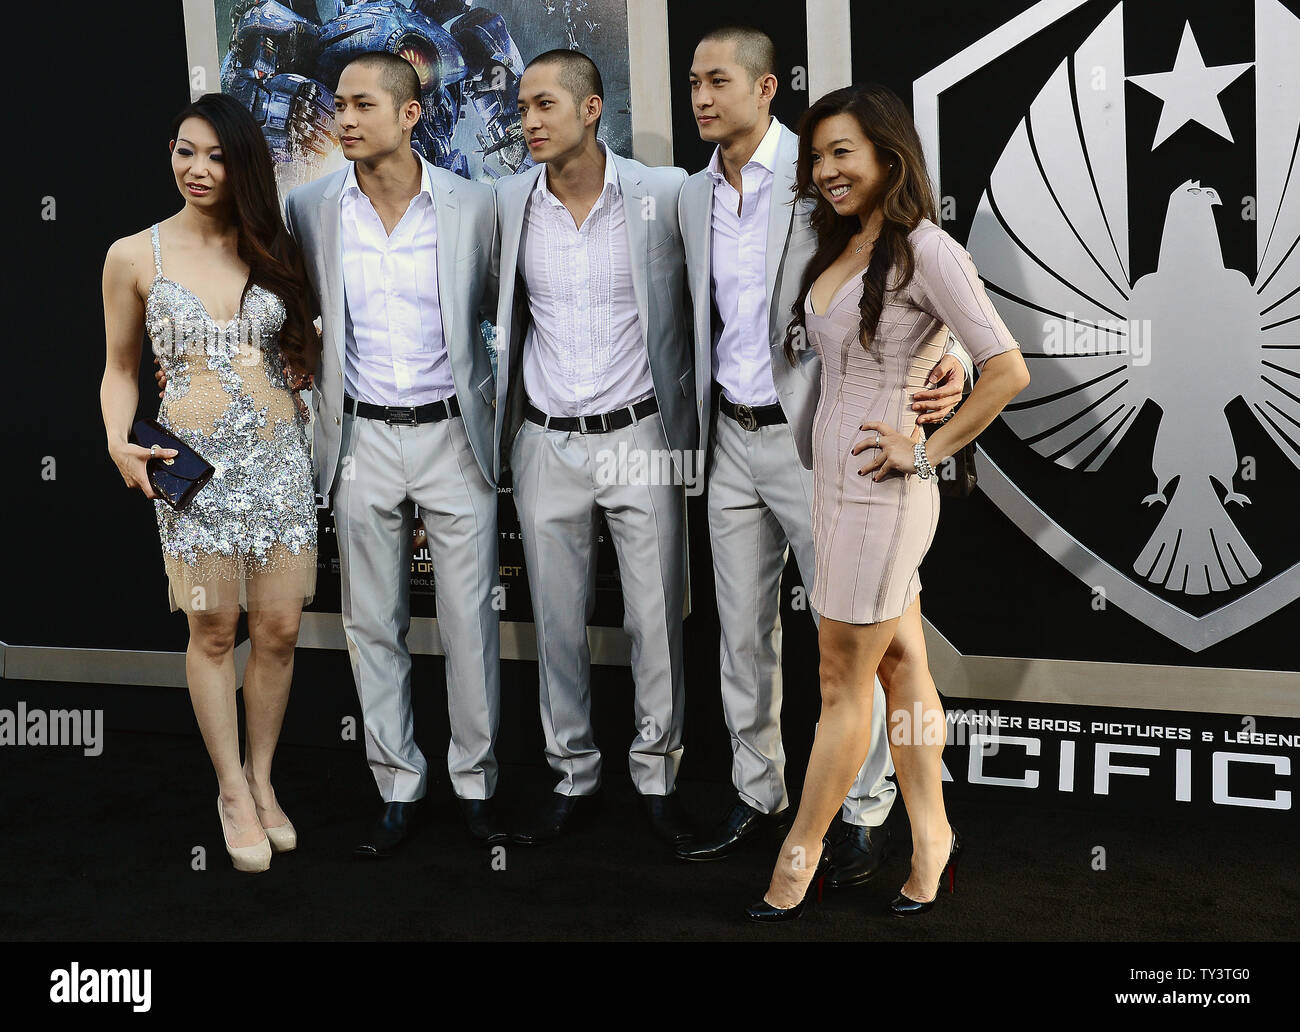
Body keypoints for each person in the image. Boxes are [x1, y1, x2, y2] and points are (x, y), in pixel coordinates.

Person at [677, 27, 969, 884]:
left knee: (860, 650)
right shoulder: (693, 196)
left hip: (820, 442)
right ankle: (756, 790)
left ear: (766, 88)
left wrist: (943, 358)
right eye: (691, 82)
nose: (699, 96)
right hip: (725, 437)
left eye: (716, 80)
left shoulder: (820, 185)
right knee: (741, 632)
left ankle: (864, 810)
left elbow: (915, 266)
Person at [747, 83, 1030, 920]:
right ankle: (933, 835)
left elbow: (1008, 366)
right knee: (904, 668)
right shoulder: (839, 241)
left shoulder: (925, 248)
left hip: (884, 493)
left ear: (887, 155)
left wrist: (929, 449)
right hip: (831, 483)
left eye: (844, 152)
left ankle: (795, 861)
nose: (827, 169)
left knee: (841, 684)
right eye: (818, 155)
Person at [284, 52, 505, 853]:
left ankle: (476, 785)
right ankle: (397, 788)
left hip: (455, 435)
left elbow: (502, 307)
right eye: (337, 105)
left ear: (409, 114)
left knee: (468, 623)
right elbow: (291, 309)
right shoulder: (308, 207)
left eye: (362, 105)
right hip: (358, 438)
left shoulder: (475, 205)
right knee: (370, 621)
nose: (343, 118)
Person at [101, 92, 320, 873]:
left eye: (217, 156)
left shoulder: (276, 245)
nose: (197, 168)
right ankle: (230, 790)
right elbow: (119, 371)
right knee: (213, 630)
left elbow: (306, 350)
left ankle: (264, 781)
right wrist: (117, 442)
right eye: (185, 150)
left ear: (243, 166)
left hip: (279, 466)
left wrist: (305, 360)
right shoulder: (135, 256)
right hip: (191, 476)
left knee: (280, 632)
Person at [493, 50, 697, 846]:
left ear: (591, 109)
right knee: (555, 621)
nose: (528, 122)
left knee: (656, 619)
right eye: (521, 108)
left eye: (544, 105)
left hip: (643, 436)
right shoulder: (507, 204)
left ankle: (658, 780)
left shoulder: (664, 193)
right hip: (545, 441)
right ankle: (572, 774)